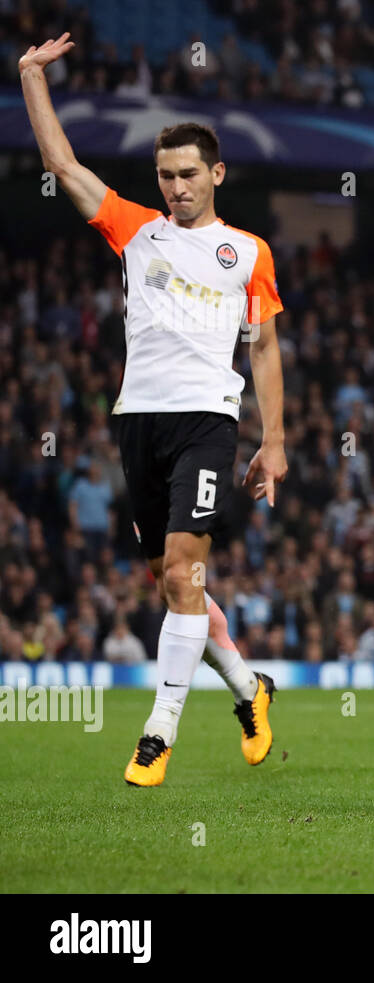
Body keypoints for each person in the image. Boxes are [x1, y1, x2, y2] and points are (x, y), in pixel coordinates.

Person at [20, 33, 287, 787]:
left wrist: (276, 441)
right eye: (166, 175)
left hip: (209, 419)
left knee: (182, 568)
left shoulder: (248, 252)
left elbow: (263, 350)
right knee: (176, 587)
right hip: (138, 420)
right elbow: (62, 166)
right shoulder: (136, 230)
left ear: (217, 174)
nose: (176, 187)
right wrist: (31, 77)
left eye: (189, 174)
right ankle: (249, 689)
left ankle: (158, 732)